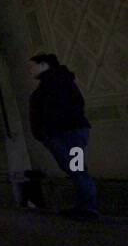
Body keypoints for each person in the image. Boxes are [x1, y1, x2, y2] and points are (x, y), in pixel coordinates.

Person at [28, 53, 98, 219]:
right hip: (67, 132)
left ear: (44, 65)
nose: (30, 70)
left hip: (66, 133)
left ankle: (88, 207)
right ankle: (84, 206)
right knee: (76, 169)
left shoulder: (56, 83)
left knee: (77, 169)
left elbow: (59, 108)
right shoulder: (57, 81)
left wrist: (47, 130)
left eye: (32, 66)